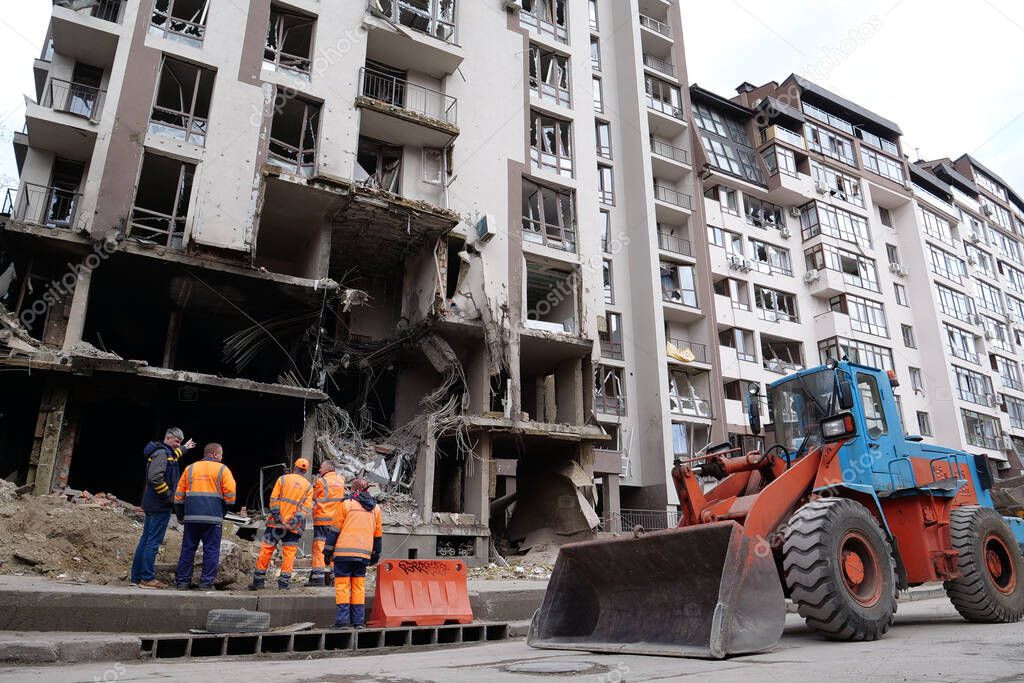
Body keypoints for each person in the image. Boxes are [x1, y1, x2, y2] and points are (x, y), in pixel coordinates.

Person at [130, 428, 195, 589]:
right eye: (177, 441)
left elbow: (173, 456)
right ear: (168, 438)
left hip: (153, 503)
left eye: (180, 442)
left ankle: (136, 577)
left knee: (146, 540)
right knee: (153, 542)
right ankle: (147, 578)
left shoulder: (165, 452)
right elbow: (155, 477)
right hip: (159, 505)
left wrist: (185, 448)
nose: (178, 445)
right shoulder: (161, 453)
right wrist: (168, 495)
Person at [173, 443, 237, 591]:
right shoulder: (223, 469)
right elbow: (231, 498)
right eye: (221, 454)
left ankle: (182, 582)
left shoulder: (190, 469)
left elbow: (178, 496)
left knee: (188, 549)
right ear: (214, 454)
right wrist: (222, 512)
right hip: (213, 519)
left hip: (191, 518)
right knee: (211, 551)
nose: (221, 457)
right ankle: (206, 583)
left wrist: (180, 515)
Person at [324, 477, 383, 629]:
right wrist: (375, 554)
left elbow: (334, 530)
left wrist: (327, 551)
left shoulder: (346, 504)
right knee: (358, 587)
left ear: (355, 490)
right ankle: (358, 622)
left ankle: (342, 622)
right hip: (363, 555)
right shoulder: (376, 509)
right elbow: (378, 536)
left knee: (343, 587)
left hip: (343, 554)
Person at [250, 458, 314, 590]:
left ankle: (258, 582)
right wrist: (292, 522)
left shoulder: (283, 479)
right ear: (305, 471)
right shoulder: (308, 487)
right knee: (289, 554)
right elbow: (305, 509)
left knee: (266, 550)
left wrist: (278, 517)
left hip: (275, 524)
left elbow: (274, 499)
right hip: (293, 528)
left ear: (294, 467)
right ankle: (283, 584)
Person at [307, 461, 346, 587]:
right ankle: (335, 576)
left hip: (322, 519)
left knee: (320, 546)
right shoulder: (341, 480)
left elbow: (313, 496)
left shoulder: (321, 481)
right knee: (335, 547)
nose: (319, 470)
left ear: (328, 468)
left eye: (321, 468)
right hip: (336, 521)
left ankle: (318, 577)